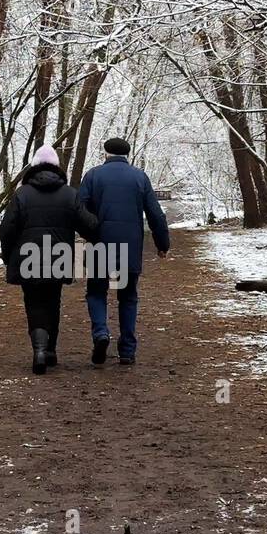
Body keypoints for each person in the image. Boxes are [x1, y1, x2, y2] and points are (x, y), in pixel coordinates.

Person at [0, 145, 99, 374]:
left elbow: (7, 229)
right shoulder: (69, 194)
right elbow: (88, 225)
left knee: (33, 303)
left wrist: (8, 256)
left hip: (28, 258)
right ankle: (50, 350)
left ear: (33, 168)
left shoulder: (22, 194)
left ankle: (39, 350)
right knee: (53, 301)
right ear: (57, 167)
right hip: (59, 257)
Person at [77, 138, 170, 366]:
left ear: (105, 152)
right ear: (128, 154)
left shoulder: (93, 175)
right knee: (128, 297)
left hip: (100, 243)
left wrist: (88, 234)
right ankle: (127, 351)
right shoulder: (139, 177)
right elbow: (156, 214)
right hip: (130, 245)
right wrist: (162, 243)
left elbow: (78, 209)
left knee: (97, 292)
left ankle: (100, 333)